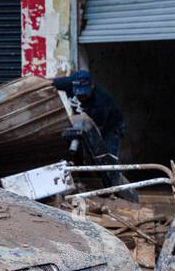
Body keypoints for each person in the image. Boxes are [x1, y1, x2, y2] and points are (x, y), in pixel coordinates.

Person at [52, 70, 135, 202]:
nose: (80, 98)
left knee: (106, 158)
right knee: (75, 153)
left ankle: (112, 191)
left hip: (109, 127)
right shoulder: (69, 83)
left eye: (84, 95)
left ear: (92, 86)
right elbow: (48, 83)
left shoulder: (102, 100)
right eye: (78, 94)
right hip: (81, 123)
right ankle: (83, 184)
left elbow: (95, 128)